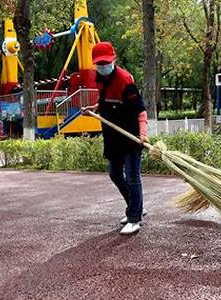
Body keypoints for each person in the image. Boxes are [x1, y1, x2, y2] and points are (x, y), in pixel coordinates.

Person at [82, 42, 149, 234]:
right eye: (99, 64)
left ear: (114, 59)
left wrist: (143, 135)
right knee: (115, 174)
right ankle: (136, 206)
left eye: (106, 62)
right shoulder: (99, 78)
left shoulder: (125, 80)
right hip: (112, 136)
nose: (103, 67)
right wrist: (93, 109)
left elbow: (141, 110)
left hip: (131, 136)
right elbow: (109, 102)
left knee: (133, 177)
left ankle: (134, 218)